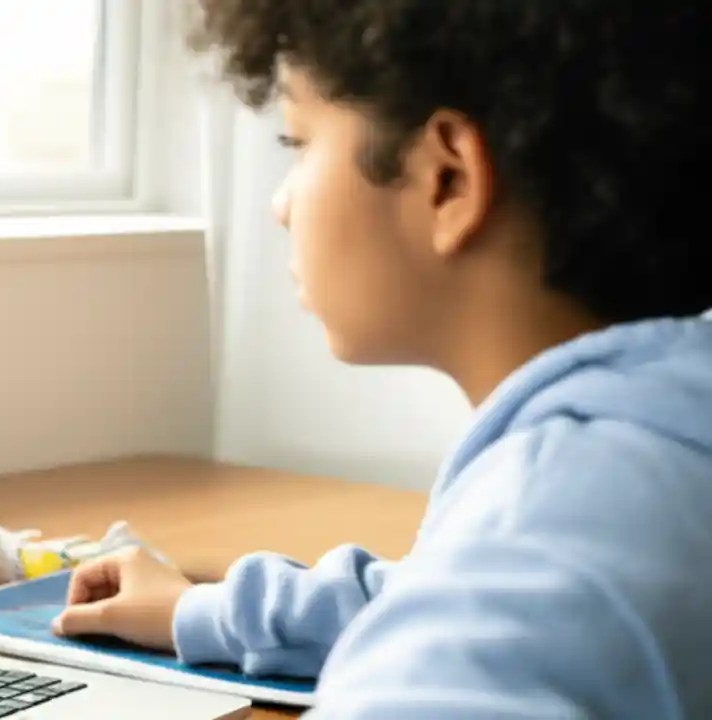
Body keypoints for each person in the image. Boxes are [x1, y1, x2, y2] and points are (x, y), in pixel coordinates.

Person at [51, 2, 712, 717]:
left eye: (299, 142)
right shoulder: (649, 464)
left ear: (447, 179)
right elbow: (453, 598)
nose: (281, 205)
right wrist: (198, 611)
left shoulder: (541, 534)